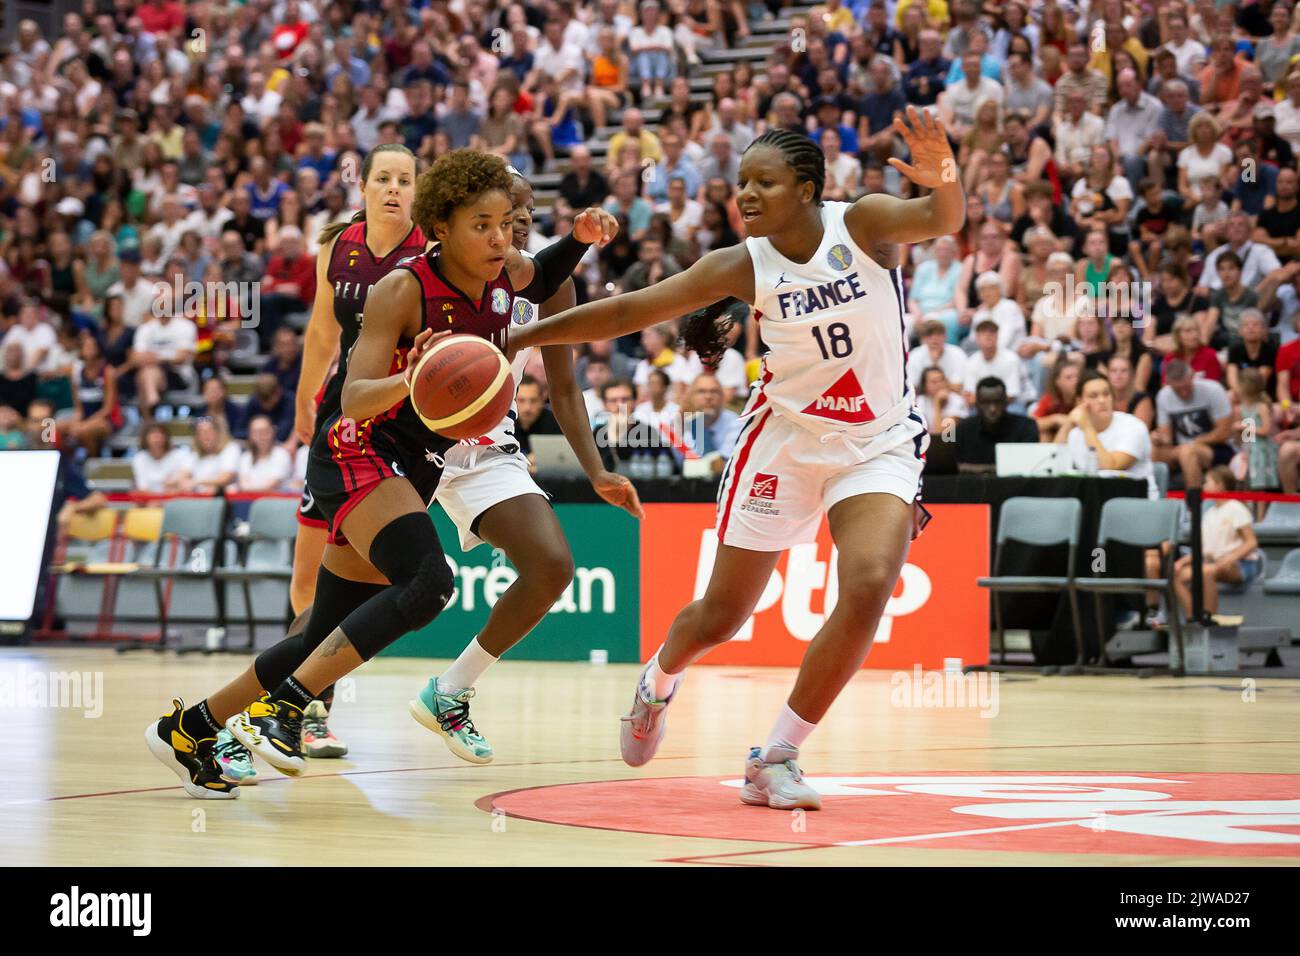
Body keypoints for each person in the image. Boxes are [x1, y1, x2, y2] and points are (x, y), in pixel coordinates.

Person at [505, 112, 963, 809]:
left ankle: (775, 756)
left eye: (764, 183)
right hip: (783, 439)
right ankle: (657, 680)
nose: (745, 194)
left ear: (807, 190)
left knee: (869, 583)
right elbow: (629, 311)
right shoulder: (741, 264)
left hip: (876, 442)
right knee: (721, 616)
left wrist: (944, 172)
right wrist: (525, 335)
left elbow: (942, 216)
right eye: (740, 182)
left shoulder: (864, 224)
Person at [145, 150, 618, 798]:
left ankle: (191, 726)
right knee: (428, 582)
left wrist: (583, 240)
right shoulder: (402, 287)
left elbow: (549, 273)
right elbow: (357, 394)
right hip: (357, 444)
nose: (501, 237)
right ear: (443, 226)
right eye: (484, 224)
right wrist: (413, 375)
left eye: (507, 224)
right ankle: (288, 706)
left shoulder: (509, 272)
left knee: (318, 631)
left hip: (416, 458)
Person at [1165, 466, 1263, 618]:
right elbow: (1204, 550)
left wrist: (1230, 558)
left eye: (1207, 482)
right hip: (1215, 563)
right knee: (1175, 576)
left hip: (1241, 565)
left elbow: (1251, 542)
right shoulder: (1209, 513)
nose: (1204, 486)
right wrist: (1182, 562)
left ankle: (1210, 617)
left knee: (1207, 572)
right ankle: (1193, 617)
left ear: (1219, 485)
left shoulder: (1236, 507)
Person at [1056, 370, 1155, 496]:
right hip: (1093, 500)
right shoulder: (1075, 433)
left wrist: (1087, 427)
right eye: (1093, 396)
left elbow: (1110, 467)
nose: (1102, 400)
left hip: (1135, 503)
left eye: (1106, 394)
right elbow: (1054, 464)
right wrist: (1068, 424)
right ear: (1079, 401)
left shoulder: (1133, 426)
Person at [1153, 359, 1234, 489]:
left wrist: (1196, 442)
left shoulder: (1213, 390)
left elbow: (1225, 432)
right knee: (1151, 451)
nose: (1184, 392)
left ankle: (1194, 503)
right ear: (1168, 384)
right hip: (1180, 448)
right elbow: (1166, 437)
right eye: (1178, 390)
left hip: (1216, 448)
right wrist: (1157, 439)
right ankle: (1154, 500)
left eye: (1186, 386)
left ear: (1192, 376)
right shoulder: (1163, 396)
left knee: (1187, 452)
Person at [954, 376, 1041, 471]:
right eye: (986, 402)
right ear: (977, 404)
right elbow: (952, 467)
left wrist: (977, 469)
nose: (992, 409)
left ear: (1006, 402)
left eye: (997, 402)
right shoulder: (963, 429)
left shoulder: (1026, 427)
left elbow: (1030, 466)